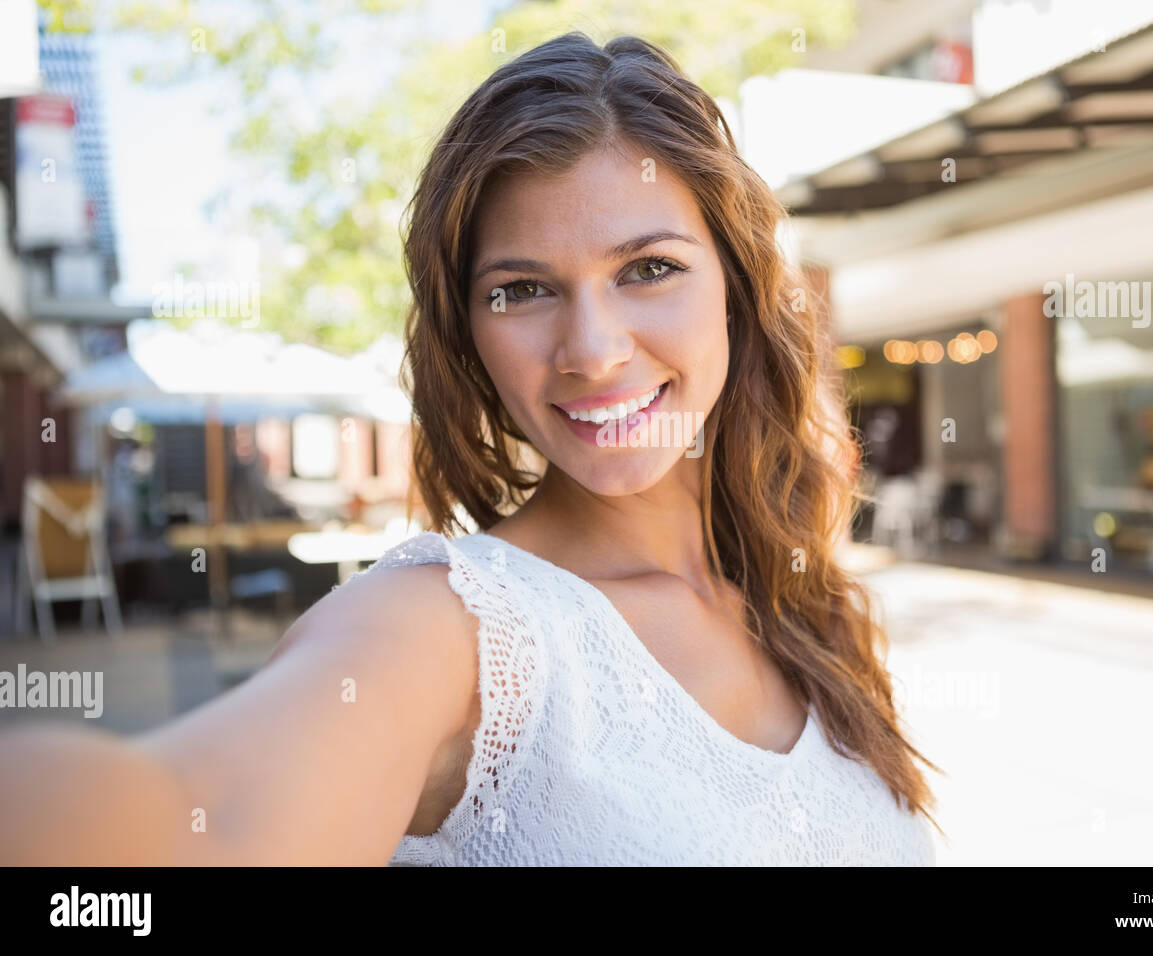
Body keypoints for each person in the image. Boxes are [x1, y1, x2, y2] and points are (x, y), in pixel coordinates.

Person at [0, 32, 941, 866]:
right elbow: (191, 815)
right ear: (469, 335)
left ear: (733, 287)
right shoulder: (451, 632)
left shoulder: (801, 600)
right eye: (523, 290)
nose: (592, 349)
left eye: (648, 269)